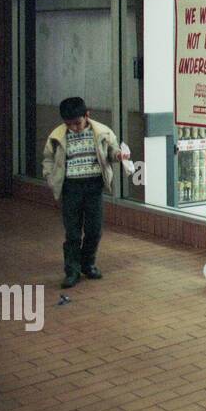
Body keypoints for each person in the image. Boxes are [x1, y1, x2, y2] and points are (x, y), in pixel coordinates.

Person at [42, 97, 130, 289]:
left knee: (94, 230)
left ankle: (88, 264)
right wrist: (50, 177)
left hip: (93, 186)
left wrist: (118, 155)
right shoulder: (57, 136)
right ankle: (72, 271)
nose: (74, 127)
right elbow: (48, 159)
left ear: (87, 115)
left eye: (77, 123)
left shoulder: (101, 132)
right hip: (70, 188)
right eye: (69, 124)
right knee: (72, 232)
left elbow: (112, 150)